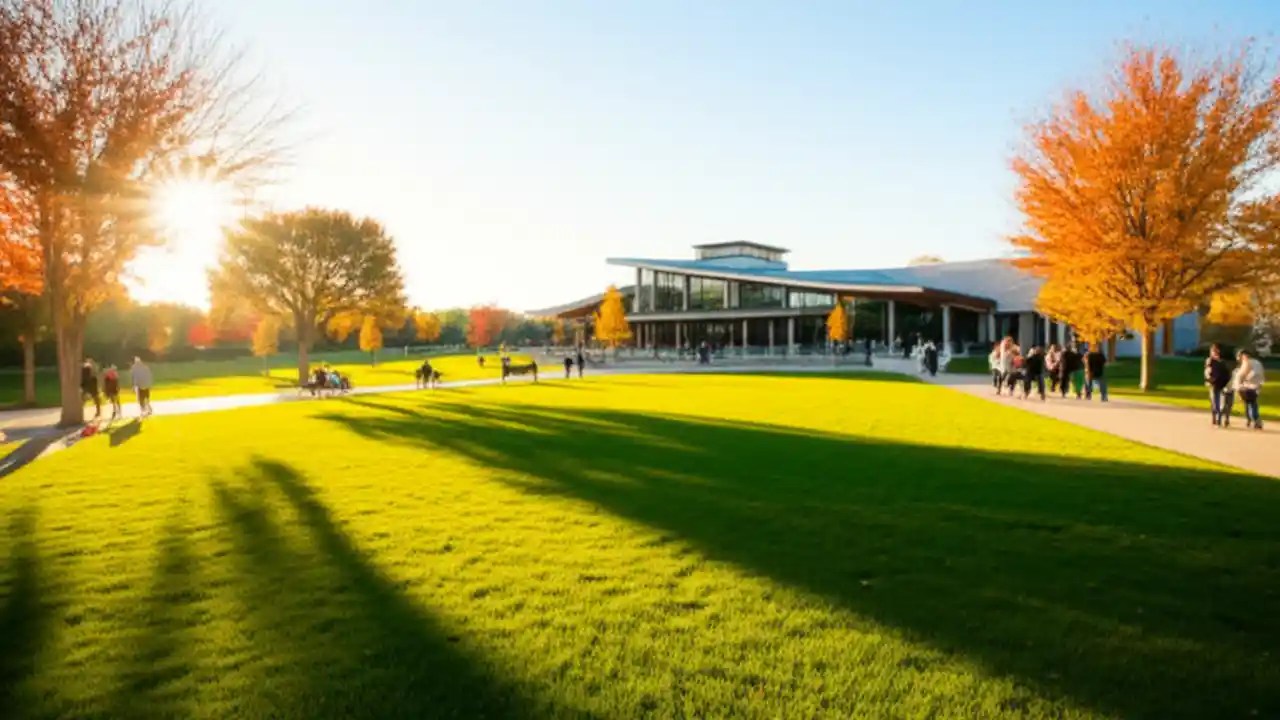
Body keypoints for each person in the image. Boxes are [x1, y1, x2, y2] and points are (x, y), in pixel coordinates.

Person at [1234, 349, 1265, 430]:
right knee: (1249, 404)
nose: (1240, 359)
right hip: (1246, 387)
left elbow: (1255, 374)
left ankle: (1254, 420)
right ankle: (1251, 420)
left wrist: (1245, 379)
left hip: (1252, 387)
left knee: (1251, 404)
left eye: (1241, 356)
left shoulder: (1253, 363)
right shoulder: (1246, 363)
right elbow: (1240, 376)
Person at [1204, 344, 1233, 427]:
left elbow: (1227, 373)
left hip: (1221, 384)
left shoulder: (1222, 362)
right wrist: (1209, 379)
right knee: (1214, 401)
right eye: (1213, 351)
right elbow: (1207, 371)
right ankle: (1215, 418)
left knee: (1220, 402)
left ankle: (1219, 418)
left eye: (1216, 351)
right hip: (1214, 384)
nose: (1215, 353)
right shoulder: (1210, 361)